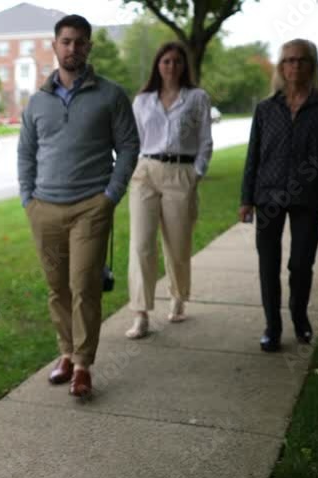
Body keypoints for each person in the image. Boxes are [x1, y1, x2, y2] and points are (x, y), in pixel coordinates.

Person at [18, 14, 140, 398]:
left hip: (91, 206)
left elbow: (129, 147)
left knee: (84, 285)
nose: (73, 48)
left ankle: (84, 365)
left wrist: (110, 195)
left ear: (89, 47)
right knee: (57, 288)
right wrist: (28, 199)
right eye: (66, 41)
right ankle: (67, 353)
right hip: (45, 209)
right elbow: (26, 154)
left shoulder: (111, 95)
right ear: (55, 45)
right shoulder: (37, 101)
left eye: (80, 42)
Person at [240, 38, 318, 352]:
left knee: (300, 265)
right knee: (268, 265)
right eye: (288, 60)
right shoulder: (266, 108)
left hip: (308, 197)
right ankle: (272, 327)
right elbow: (253, 155)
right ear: (281, 67)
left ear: (312, 65)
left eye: (301, 60)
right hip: (268, 196)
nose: (294, 65)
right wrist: (246, 199)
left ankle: (299, 317)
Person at [125, 42, 213, 339]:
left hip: (181, 172)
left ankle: (177, 296)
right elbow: (134, 141)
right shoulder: (142, 100)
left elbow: (205, 140)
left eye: (177, 61)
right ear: (157, 65)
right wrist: (132, 170)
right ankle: (140, 313)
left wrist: (196, 173)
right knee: (141, 244)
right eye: (166, 61)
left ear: (184, 66)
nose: (171, 66)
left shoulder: (197, 98)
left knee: (178, 244)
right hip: (146, 173)